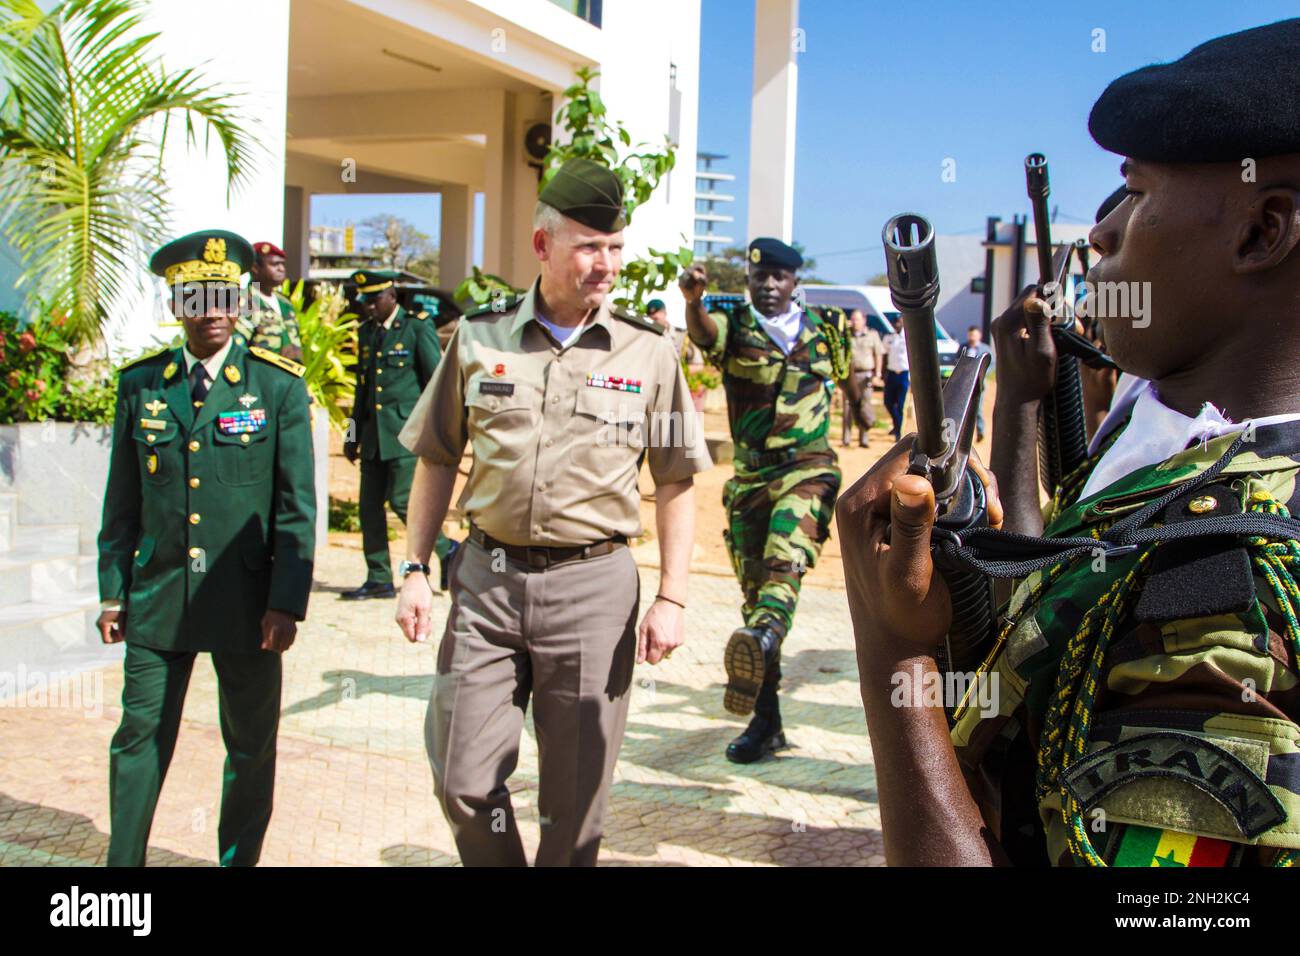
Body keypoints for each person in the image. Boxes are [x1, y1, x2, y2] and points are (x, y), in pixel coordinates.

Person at [838, 20, 1300, 866]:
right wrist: (1019, 400)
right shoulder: (1178, 435)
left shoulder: (1225, 590)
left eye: (1138, 192)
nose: (1101, 232)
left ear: (1261, 233)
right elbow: (1064, 574)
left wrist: (890, 655)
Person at [394, 158, 711, 866]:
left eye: (617, 247)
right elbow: (437, 455)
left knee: (574, 807)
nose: (607, 264)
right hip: (486, 582)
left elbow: (676, 482)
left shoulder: (649, 353)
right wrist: (413, 567)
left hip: (592, 591)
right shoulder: (479, 339)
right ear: (543, 246)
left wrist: (673, 597)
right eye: (590, 247)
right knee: (462, 777)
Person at [96, 229, 316, 866]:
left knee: (250, 745)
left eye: (224, 295)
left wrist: (286, 604)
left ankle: (237, 862)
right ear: (177, 304)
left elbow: (296, 506)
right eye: (197, 296)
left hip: (246, 603)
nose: (212, 309)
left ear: (240, 301)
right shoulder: (142, 385)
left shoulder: (276, 387)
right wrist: (114, 590)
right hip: (158, 593)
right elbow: (122, 500)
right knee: (138, 734)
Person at [679, 238, 857, 763]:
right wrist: (693, 301)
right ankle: (767, 720)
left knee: (786, 559)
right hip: (751, 482)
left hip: (809, 469)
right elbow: (705, 335)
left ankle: (768, 631)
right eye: (761, 278)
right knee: (755, 598)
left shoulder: (826, 330)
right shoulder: (733, 326)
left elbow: (848, 379)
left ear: (795, 281)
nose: (770, 286)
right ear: (749, 283)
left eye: (780, 277)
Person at [341, 269, 450, 600]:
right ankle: (378, 577)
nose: (369, 307)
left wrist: (435, 432)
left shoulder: (416, 328)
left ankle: (449, 551)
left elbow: (437, 381)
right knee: (369, 507)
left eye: (374, 300)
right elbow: (361, 391)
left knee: (403, 501)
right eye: (365, 302)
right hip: (374, 436)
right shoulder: (367, 333)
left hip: (405, 435)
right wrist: (351, 434)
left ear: (391, 296)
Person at [236, 241, 303, 362]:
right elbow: (239, 349)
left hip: (291, 377)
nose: (281, 269)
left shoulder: (285, 304)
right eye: (275, 264)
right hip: (262, 377)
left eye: (282, 264)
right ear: (255, 268)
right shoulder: (246, 301)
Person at [842, 308, 883, 447]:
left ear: (864, 320)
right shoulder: (846, 335)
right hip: (849, 375)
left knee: (864, 405)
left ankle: (863, 438)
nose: (854, 322)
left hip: (866, 374)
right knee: (847, 406)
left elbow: (878, 354)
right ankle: (846, 438)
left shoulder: (872, 335)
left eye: (857, 319)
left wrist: (877, 374)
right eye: (852, 319)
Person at [958, 325, 993, 441]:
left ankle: (980, 431)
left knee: (978, 408)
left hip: (979, 383)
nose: (972, 337)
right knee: (963, 409)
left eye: (974, 335)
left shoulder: (985, 349)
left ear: (979, 335)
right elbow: (957, 361)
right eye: (970, 334)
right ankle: (962, 435)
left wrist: (983, 374)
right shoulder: (963, 347)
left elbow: (992, 364)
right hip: (965, 383)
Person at [881, 317, 909, 440]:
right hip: (892, 373)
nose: (897, 324)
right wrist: (883, 373)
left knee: (901, 404)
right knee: (888, 402)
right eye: (895, 322)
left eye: (899, 322)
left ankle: (899, 432)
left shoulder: (908, 337)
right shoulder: (889, 338)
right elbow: (884, 355)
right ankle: (896, 424)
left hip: (904, 373)